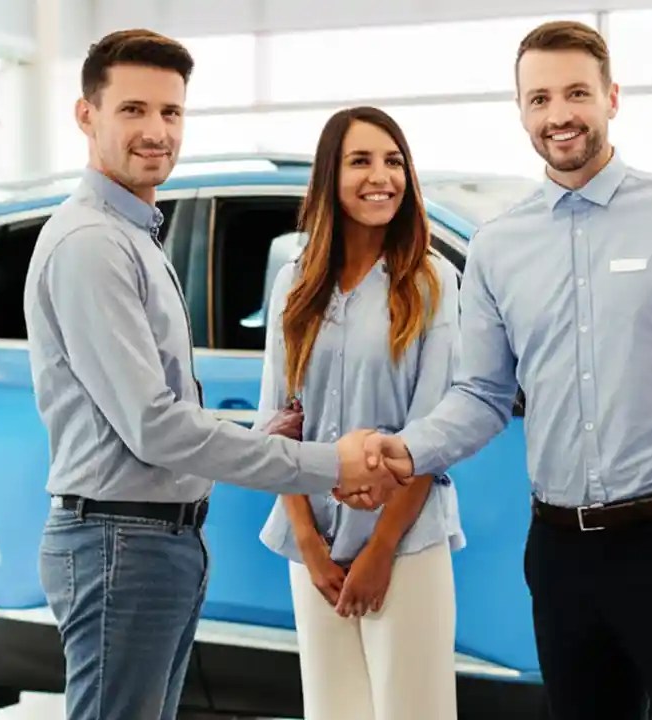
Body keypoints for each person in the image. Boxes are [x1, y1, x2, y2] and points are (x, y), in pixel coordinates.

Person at [363, 20, 652, 720]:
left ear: (612, 97)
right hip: (560, 555)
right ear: (522, 110)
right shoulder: (499, 246)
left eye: (576, 93)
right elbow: (483, 395)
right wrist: (406, 449)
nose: (559, 115)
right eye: (540, 98)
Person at [22, 30, 397, 720]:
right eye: (134, 110)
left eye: (171, 113)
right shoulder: (92, 246)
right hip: (121, 546)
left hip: (150, 542)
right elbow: (153, 426)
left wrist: (258, 435)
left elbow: (152, 409)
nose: (157, 131)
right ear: (86, 116)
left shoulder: (133, 234)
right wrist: (321, 461)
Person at [254, 105, 464, 720]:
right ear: (329, 176)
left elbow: (433, 434)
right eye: (361, 161)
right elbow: (276, 425)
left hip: (404, 544)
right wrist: (308, 544)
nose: (382, 176)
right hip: (313, 546)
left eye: (394, 161)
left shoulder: (431, 282)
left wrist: (379, 550)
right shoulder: (293, 284)